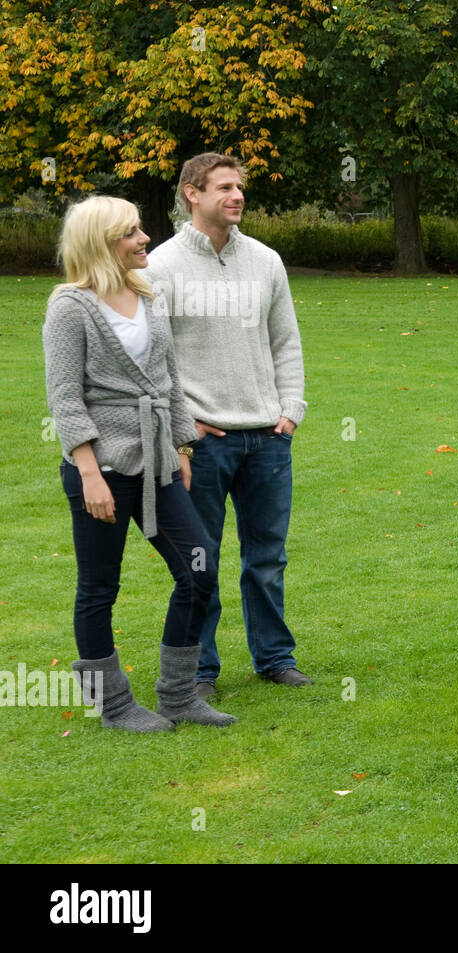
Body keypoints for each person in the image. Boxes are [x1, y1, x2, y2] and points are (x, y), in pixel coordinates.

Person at [44, 196, 237, 730]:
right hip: (100, 469)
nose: (145, 238)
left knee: (198, 567)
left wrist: (181, 447)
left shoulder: (146, 296)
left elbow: (169, 384)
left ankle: (178, 695)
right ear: (104, 243)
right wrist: (88, 473)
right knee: (99, 588)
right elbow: (64, 398)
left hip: (158, 464)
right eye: (132, 232)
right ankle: (115, 706)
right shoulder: (70, 307)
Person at [146, 153, 310, 696]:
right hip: (203, 442)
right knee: (201, 559)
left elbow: (285, 341)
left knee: (267, 558)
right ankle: (200, 670)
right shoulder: (161, 267)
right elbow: (149, 356)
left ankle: (275, 659)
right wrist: (182, 424)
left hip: (267, 440)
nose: (237, 195)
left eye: (240, 186)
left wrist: (290, 411)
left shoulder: (266, 261)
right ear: (192, 193)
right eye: (224, 187)